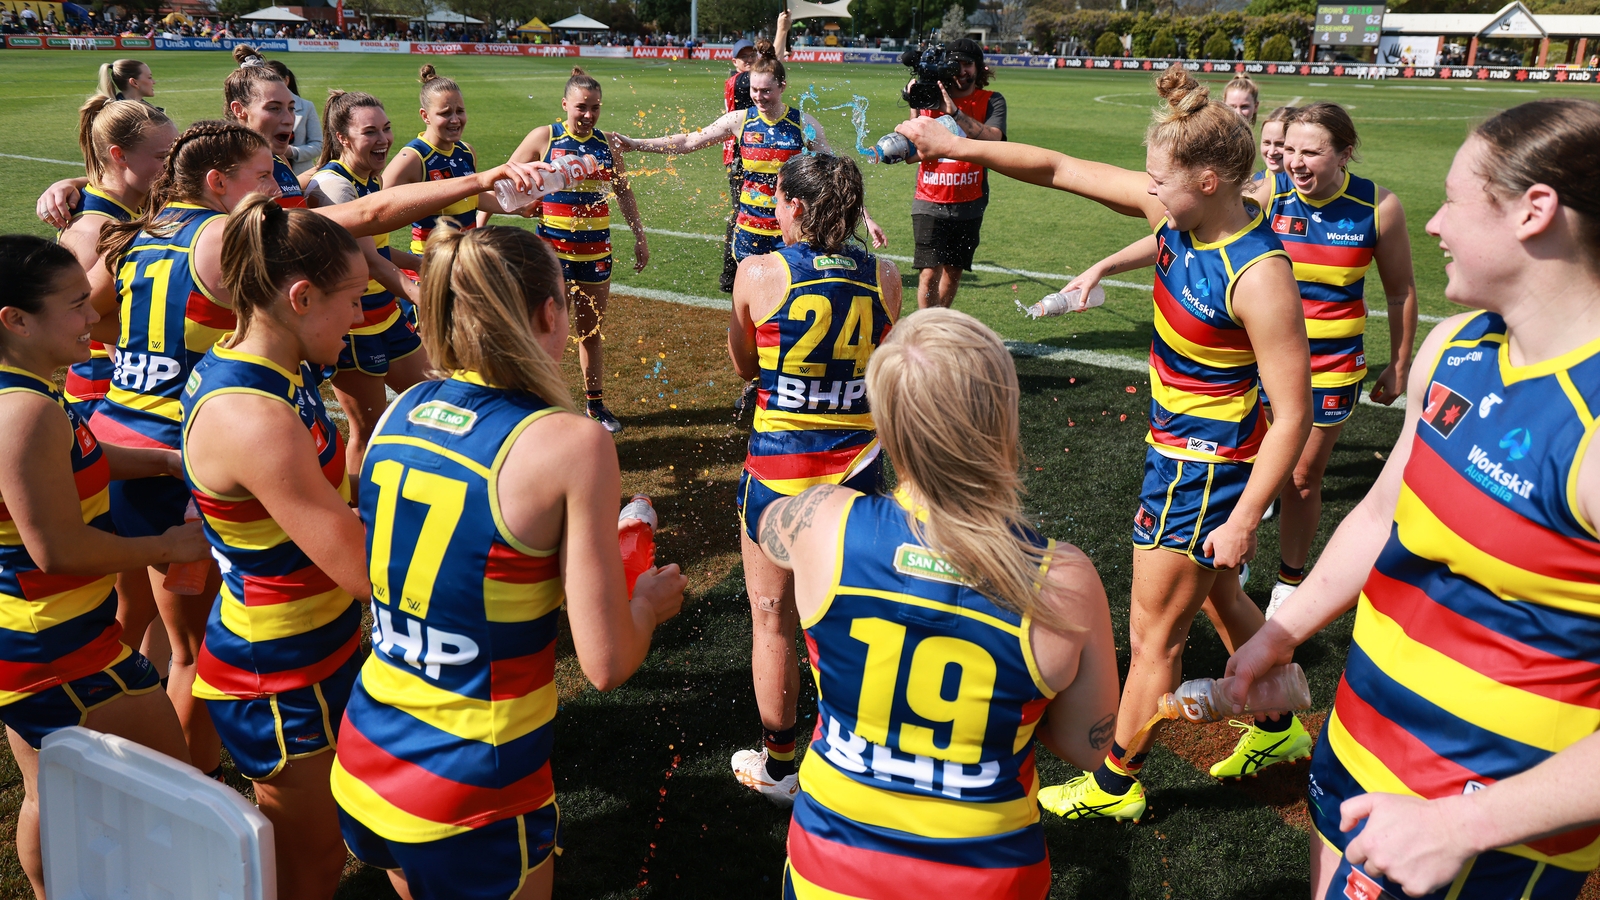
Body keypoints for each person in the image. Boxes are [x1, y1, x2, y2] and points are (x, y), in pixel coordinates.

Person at [896, 64, 1313, 819]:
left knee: (1154, 635)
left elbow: (1293, 414)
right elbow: (1057, 168)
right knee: (1213, 591)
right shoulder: (1181, 215)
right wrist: (953, 143)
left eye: (1162, 181)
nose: (1148, 190)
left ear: (1212, 180)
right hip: (1180, 451)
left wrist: (1246, 514)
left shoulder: (1258, 275)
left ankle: (1117, 783)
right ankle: (1282, 724)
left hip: (1205, 470)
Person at [90, 118, 548, 779]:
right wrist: (481, 181)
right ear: (218, 183)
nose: (278, 187)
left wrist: (152, 352)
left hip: (130, 433)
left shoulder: (149, 229)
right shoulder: (228, 241)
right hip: (196, 453)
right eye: (263, 176)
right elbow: (366, 214)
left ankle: (163, 772)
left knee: (159, 634)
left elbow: (98, 311)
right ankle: (191, 793)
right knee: (204, 640)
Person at [1225, 98, 1600, 900]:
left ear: (1536, 212)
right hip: (1358, 760)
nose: (1433, 224)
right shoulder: (1457, 347)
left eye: (1457, 201)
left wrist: (1465, 827)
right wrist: (1279, 634)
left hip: (1484, 834)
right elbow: (1381, 512)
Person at [330, 225, 686, 900]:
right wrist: (647, 601)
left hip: (369, 748)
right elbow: (606, 664)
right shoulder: (571, 444)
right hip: (472, 785)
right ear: (551, 313)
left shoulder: (401, 408)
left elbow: (472, 560)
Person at [754, 308, 1120, 897]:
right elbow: (1089, 744)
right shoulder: (1064, 579)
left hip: (830, 865)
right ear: (1004, 423)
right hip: (989, 875)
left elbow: (767, 521)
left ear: (889, 426)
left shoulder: (824, 523)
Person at [179, 196, 371, 900]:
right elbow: (362, 571)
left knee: (319, 851)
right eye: (352, 300)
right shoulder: (254, 416)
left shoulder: (275, 370)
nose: (359, 317)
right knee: (309, 865)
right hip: (278, 675)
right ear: (300, 296)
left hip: (310, 650)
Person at [0, 234, 201, 900]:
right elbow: (57, 549)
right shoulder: (24, 411)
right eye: (76, 305)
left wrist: (166, 461)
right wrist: (168, 547)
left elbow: (77, 456)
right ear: (15, 319)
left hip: (30, 635)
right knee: (176, 790)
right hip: (57, 644)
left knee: (47, 790)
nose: (93, 318)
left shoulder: (31, 392)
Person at [724, 154, 901, 805]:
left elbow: (746, 367)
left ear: (795, 207)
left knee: (772, 617)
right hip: (857, 477)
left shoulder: (758, 273)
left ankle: (779, 769)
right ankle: (857, 752)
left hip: (778, 474)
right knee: (852, 617)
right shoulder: (883, 275)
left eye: (778, 199)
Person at [1243, 103, 1417, 616]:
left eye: (1311, 151)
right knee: (1247, 462)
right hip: (1256, 363)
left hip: (1331, 366)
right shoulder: (1266, 192)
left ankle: (1289, 580)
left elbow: (1400, 291)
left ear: (1344, 153)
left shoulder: (1378, 206)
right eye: (1289, 148)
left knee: (1301, 477)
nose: (1294, 162)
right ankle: (1236, 555)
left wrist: (1400, 363)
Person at [613, 45, 887, 265]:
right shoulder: (740, 120)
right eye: (754, 90)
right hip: (749, 231)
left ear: (782, 86)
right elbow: (688, 141)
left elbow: (835, 175)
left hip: (789, 234)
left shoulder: (803, 124)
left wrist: (866, 217)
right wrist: (636, 143)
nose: (759, 96)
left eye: (766, 90)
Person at [504, 67, 646, 436]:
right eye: (582, 107)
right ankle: (540, 405)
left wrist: (640, 236)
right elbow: (505, 179)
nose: (588, 115)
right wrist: (514, 209)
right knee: (544, 330)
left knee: (590, 332)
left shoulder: (607, 144)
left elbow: (625, 192)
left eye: (595, 107)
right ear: (565, 104)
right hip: (551, 253)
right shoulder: (545, 137)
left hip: (596, 253)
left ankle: (594, 405)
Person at [306, 90, 429, 479]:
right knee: (367, 429)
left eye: (387, 129)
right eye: (370, 132)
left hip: (386, 318)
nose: (383, 140)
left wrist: (428, 264)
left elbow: (380, 251)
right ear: (343, 138)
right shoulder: (335, 186)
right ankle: (361, 516)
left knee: (430, 398)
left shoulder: (367, 180)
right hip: (354, 328)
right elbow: (370, 264)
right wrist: (423, 295)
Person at [905, 38, 1006, 310]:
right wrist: (915, 97)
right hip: (929, 198)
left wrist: (956, 113)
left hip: (970, 202)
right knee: (928, 272)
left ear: (979, 68)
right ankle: (927, 329)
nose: (962, 71)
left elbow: (995, 140)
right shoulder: (928, 96)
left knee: (954, 271)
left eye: (968, 64)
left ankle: (942, 320)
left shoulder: (991, 100)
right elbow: (912, 139)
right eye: (956, 64)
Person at [387, 64, 523, 259]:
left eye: (460, 111)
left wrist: (521, 207)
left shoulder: (466, 151)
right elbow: (377, 207)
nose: (455, 120)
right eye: (445, 113)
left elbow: (473, 197)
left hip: (466, 261)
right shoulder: (412, 158)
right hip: (430, 265)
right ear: (425, 116)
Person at [718, 11, 791, 294]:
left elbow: (772, 70)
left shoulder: (754, 79)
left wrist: (781, 34)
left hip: (755, 153)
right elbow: (770, 71)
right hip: (741, 158)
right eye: (744, 57)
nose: (749, 59)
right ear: (734, 62)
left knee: (754, 212)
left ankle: (757, 264)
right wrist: (782, 32)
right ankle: (731, 272)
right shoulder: (739, 82)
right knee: (743, 214)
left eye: (752, 55)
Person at [227, 45, 308, 208]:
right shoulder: (232, 167)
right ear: (240, 110)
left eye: (291, 108)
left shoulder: (279, 158)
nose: (288, 119)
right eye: (274, 108)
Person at [259, 57, 323, 176]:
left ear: (286, 80)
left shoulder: (306, 106)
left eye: (275, 79)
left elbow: (318, 145)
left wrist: (292, 152)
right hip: (267, 174)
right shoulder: (258, 110)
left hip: (300, 176)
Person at [1256, 104, 1294, 181]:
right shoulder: (1254, 182)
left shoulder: (1307, 187)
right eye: (1267, 143)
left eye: (1280, 144)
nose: (1271, 152)